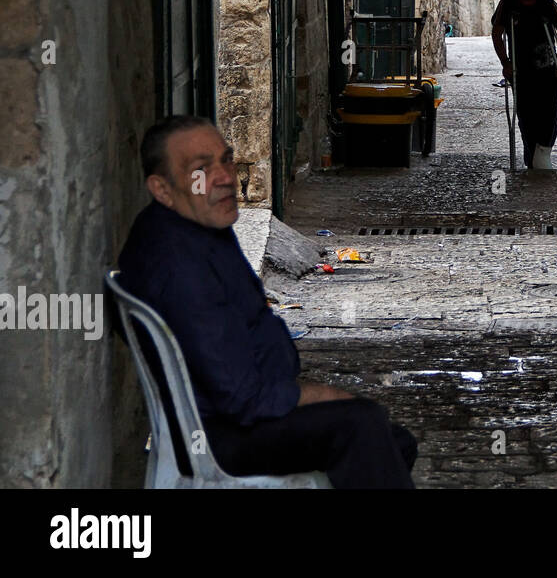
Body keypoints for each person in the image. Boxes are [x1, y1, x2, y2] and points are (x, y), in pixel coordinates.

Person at [116, 115, 417, 488]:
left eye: (225, 160)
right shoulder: (179, 264)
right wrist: (320, 394)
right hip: (220, 436)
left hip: (234, 414)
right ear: (162, 188)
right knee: (362, 426)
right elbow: (242, 398)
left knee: (392, 439)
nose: (225, 176)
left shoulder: (197, 228)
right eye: (200, 169)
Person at [491, 0, 557, 170]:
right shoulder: (507, 4)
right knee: (526, 116)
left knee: (548, 114)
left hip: (547, 68)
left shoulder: (547, 5)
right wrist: (505, 63)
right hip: (521, 70)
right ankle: (532, 157)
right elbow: (497, 33)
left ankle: (541, 155)